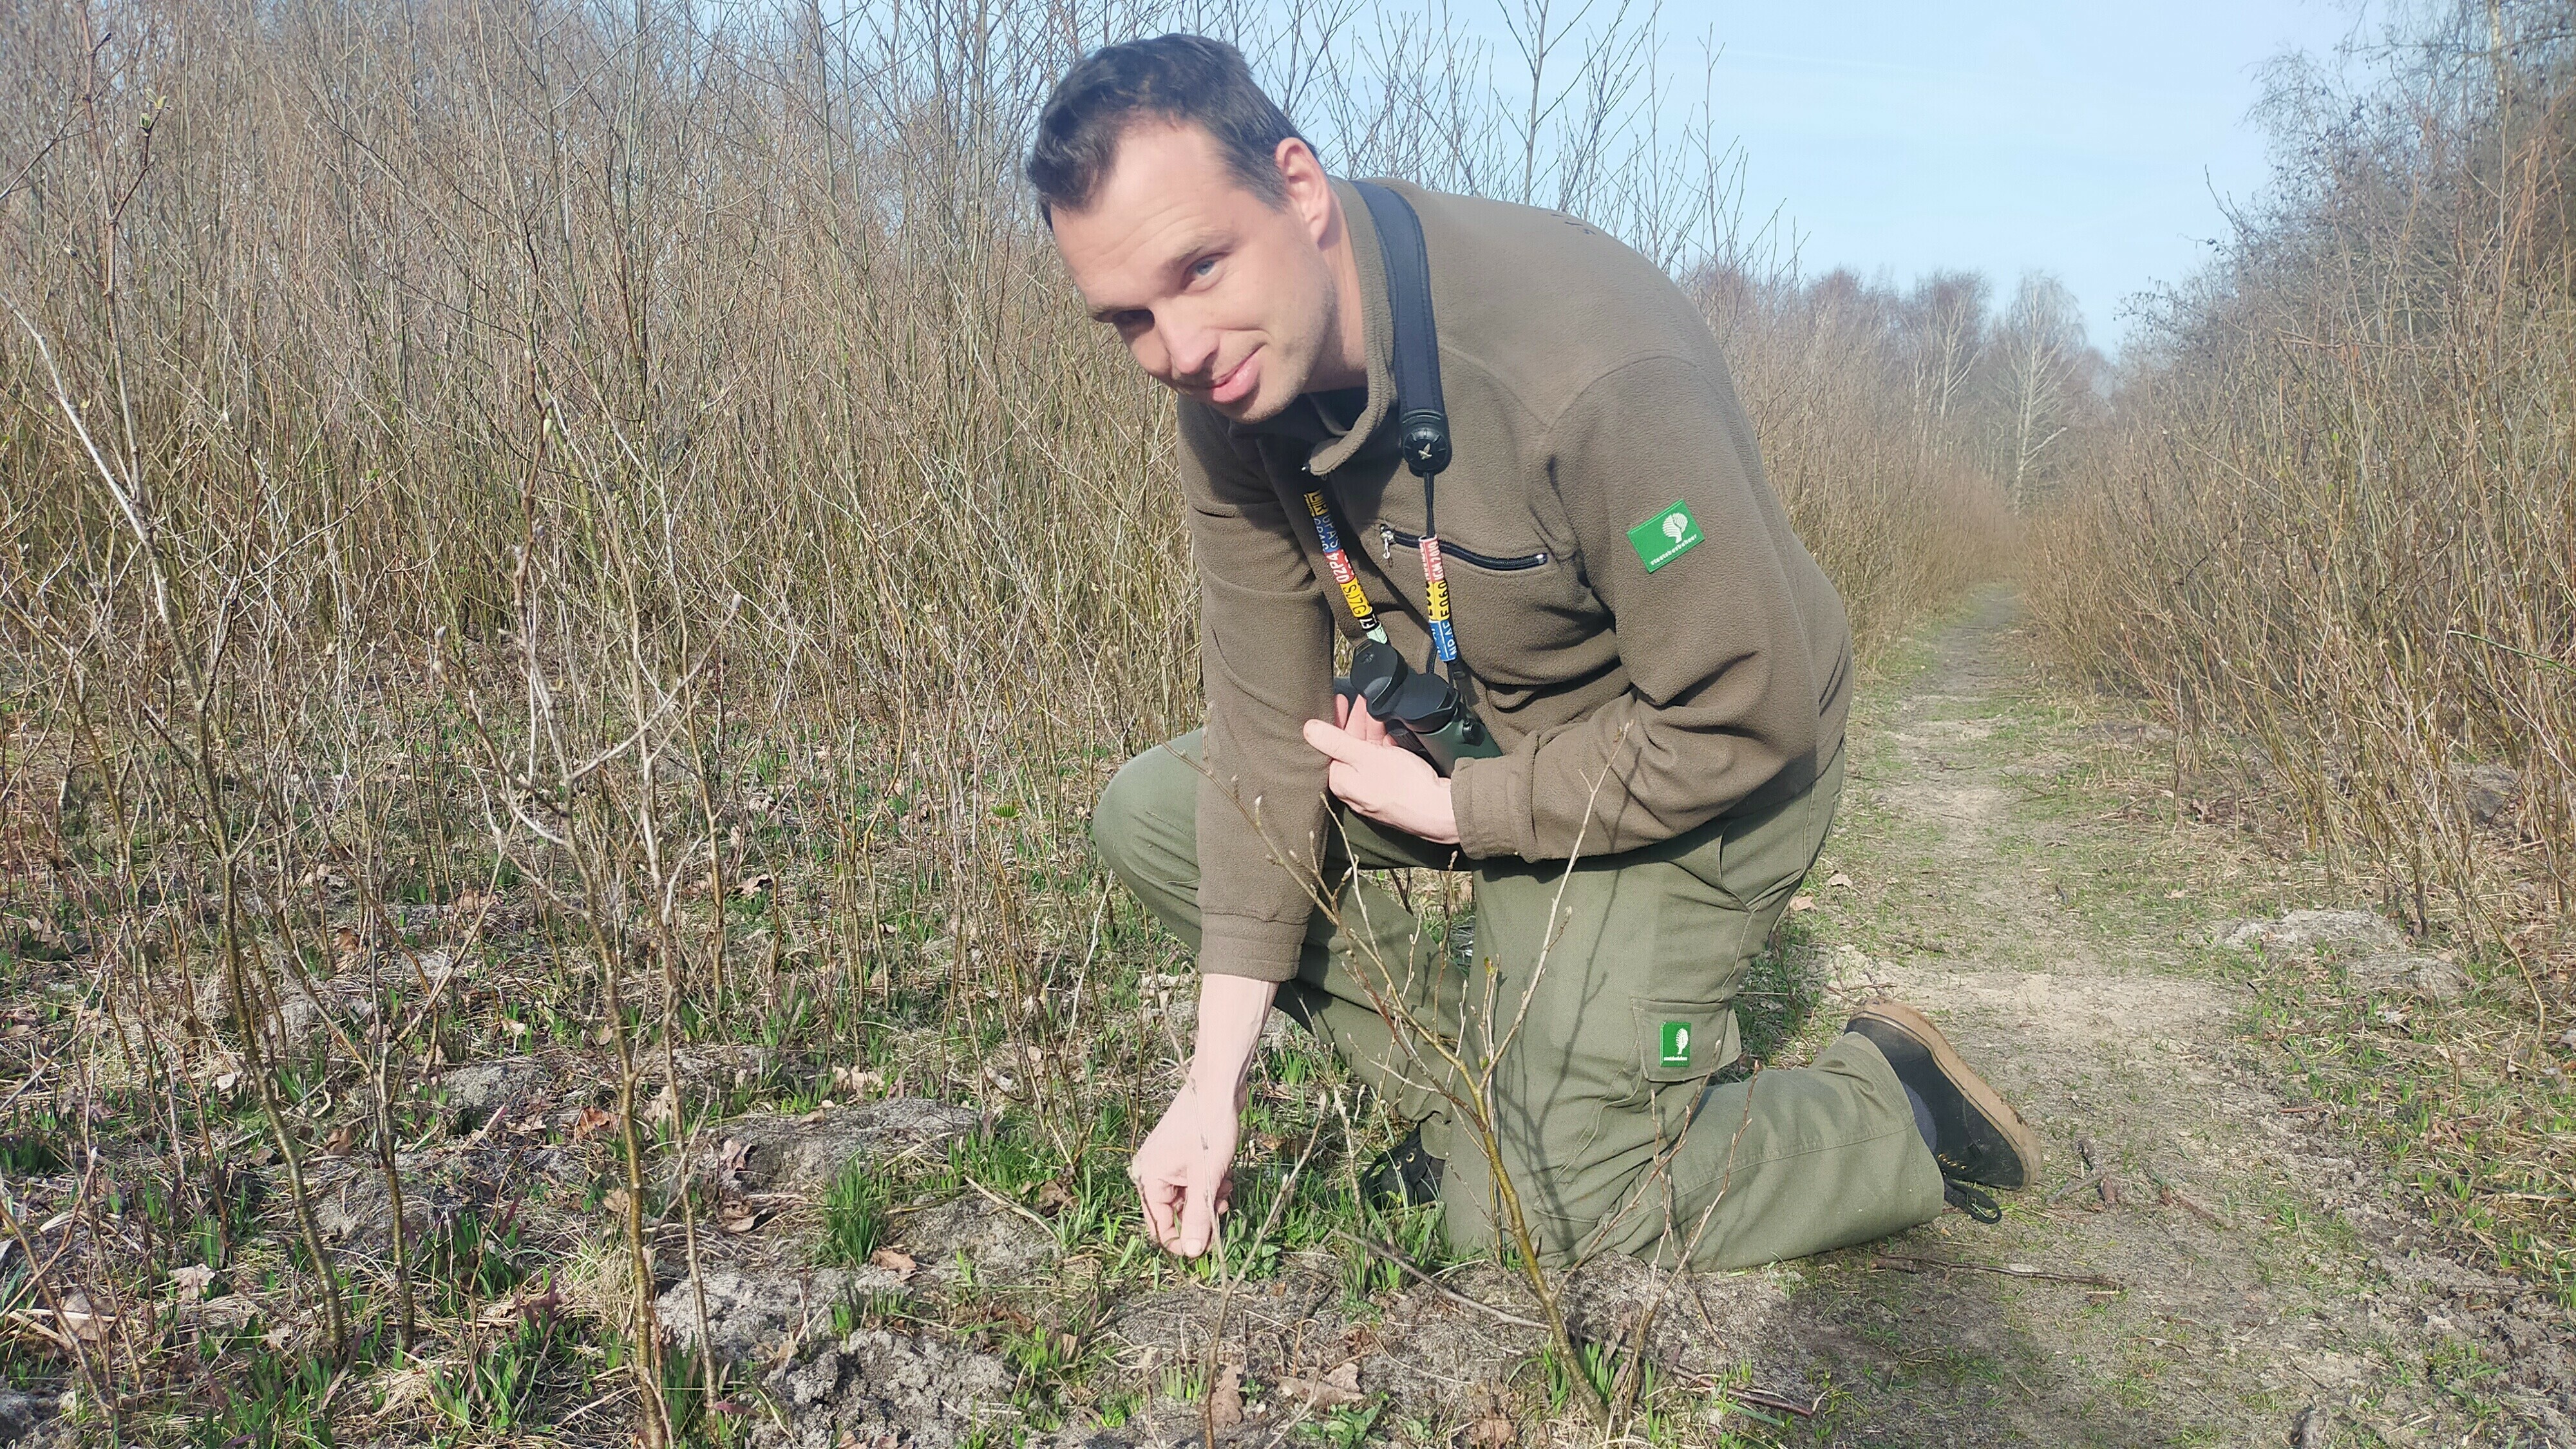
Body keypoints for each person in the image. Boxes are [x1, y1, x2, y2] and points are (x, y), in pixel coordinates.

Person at [1027, 33, 2038, 1269]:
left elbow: (1743, 709)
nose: (1180, 348)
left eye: (1200, 268)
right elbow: (1258, 740)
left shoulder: (1587, 362)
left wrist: (1469, 809)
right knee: (1158, 814)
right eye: (1129, 318)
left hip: (1709, 776)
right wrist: (1211, 1086)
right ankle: (1497, 1112)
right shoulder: (1233, 395)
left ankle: (1891, 1105)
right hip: (1494, 747)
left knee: (1549, 1221)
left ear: (1298, 187)